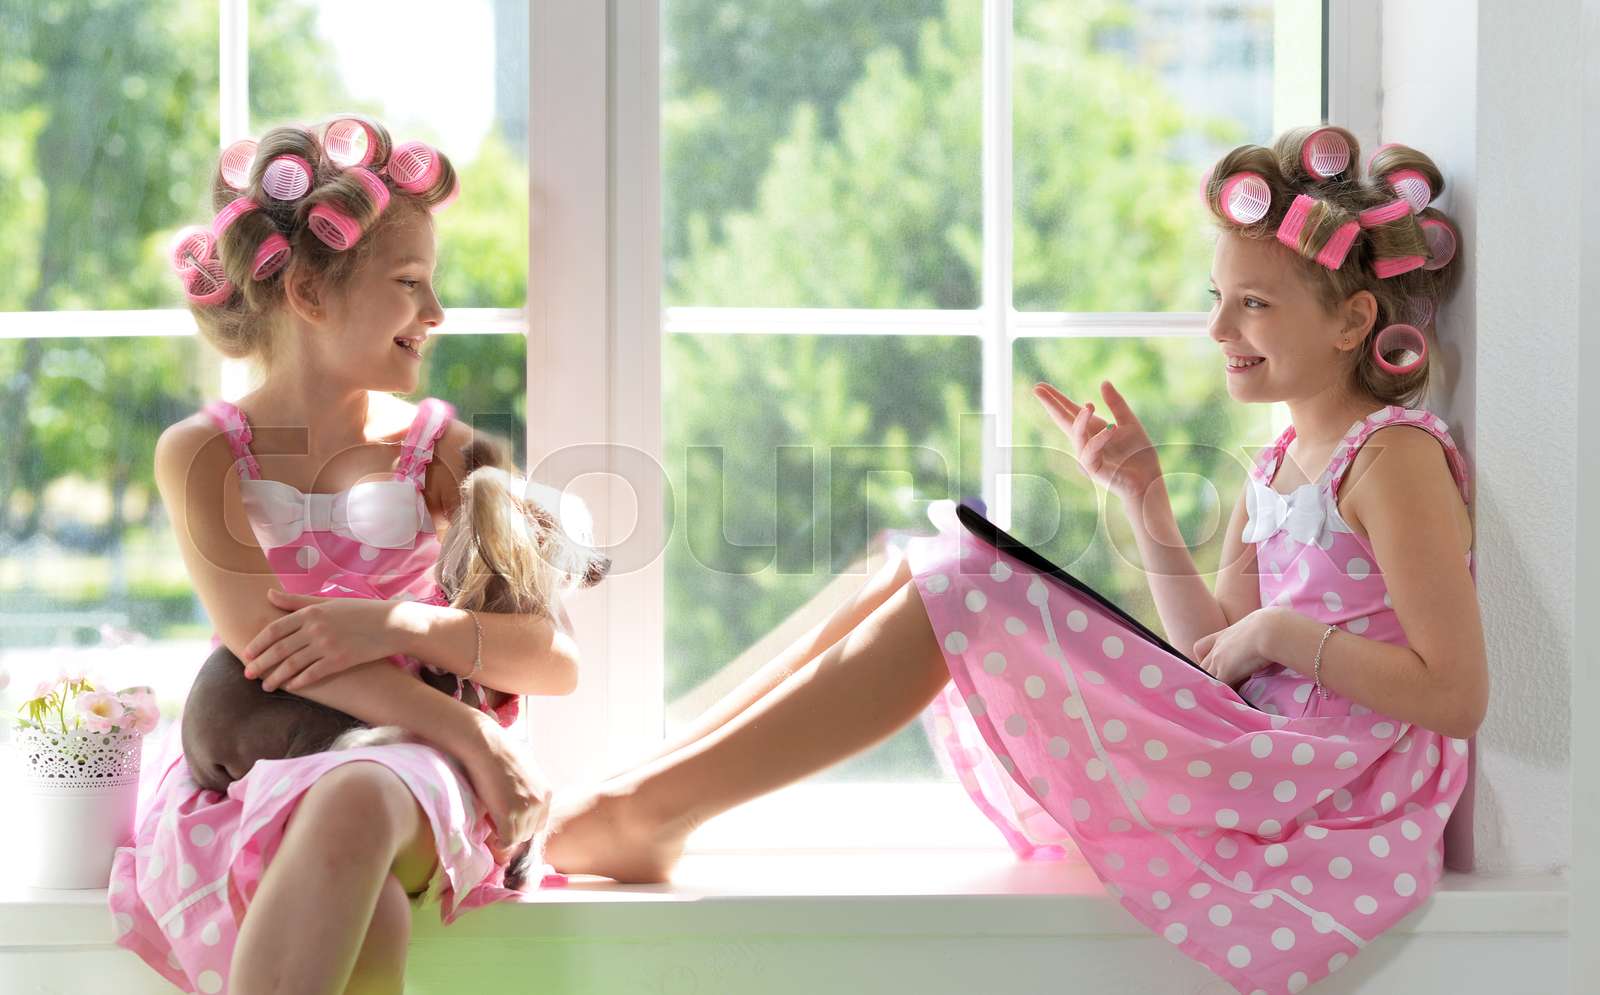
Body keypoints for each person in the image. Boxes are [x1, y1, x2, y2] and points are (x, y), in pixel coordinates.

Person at [537, 124, 1485, 995]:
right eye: (1219, 300)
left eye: (1254, 304)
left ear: (1354, 322)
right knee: (918, 559)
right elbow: (1214, 655)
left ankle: (646, 812)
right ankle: (652, 790)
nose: (1219, 330)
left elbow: (1455, 692)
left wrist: (1279, 631)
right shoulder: (1278, 461)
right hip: (1260, 747)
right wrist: (1144, 498)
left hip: (1323, 791)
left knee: (966, 588)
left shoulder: (1394, 456)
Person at [107, 114, 571, 995]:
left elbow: (552, 658)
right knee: (370, 912)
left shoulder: (450, 454)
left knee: (356, 795)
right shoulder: (201, 454)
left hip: (411, 765)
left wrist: (389, 625)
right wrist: (477, 733)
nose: (435, 313)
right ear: (310, 295)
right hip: (254, 769)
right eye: (409, 283)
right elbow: (266, 649)